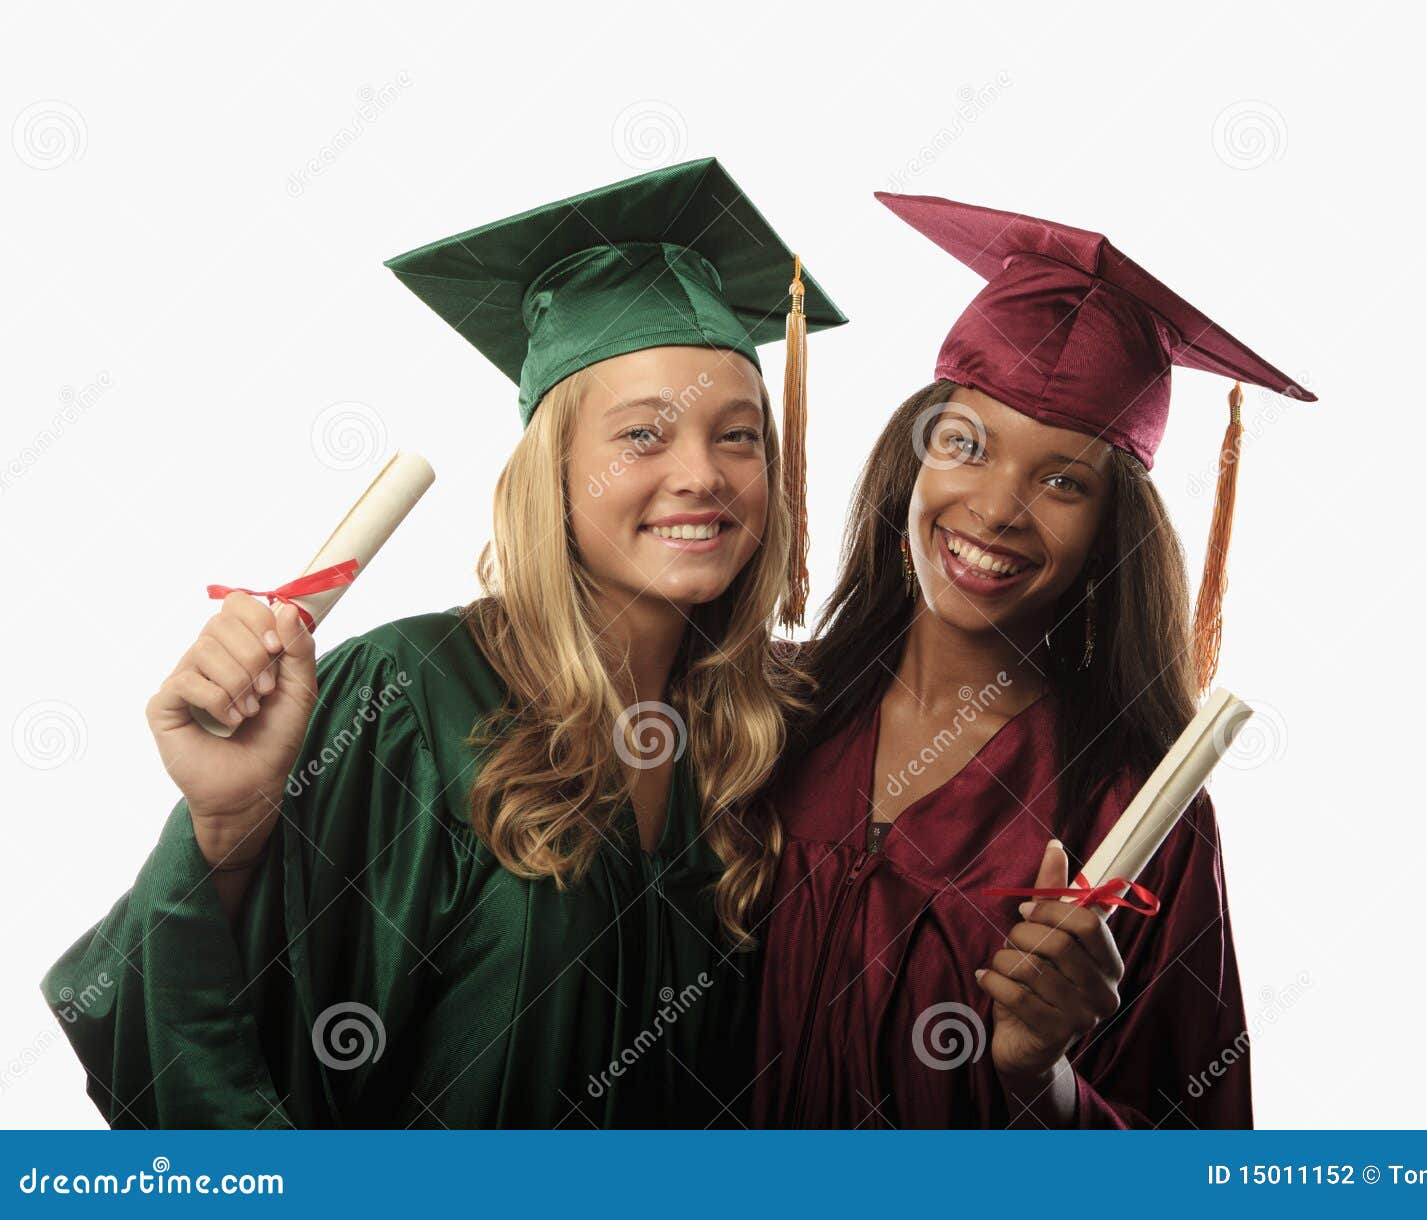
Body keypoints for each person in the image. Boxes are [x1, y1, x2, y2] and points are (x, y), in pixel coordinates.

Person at [40, 157, 846, 1129]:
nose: (701, 474)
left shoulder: (768, 727)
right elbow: (180, 1020)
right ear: (554, 471)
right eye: (642, 435)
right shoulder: (408, 696)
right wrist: (227, 826)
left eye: (741, 435)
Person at [753, 190, 1315, 1128]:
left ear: (1109, 537)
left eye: (1062, 480)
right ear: (912, 464)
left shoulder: (1138, 813)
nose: (998, 508)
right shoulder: (766, 713)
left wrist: (1037, 1075)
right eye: (965, 446)